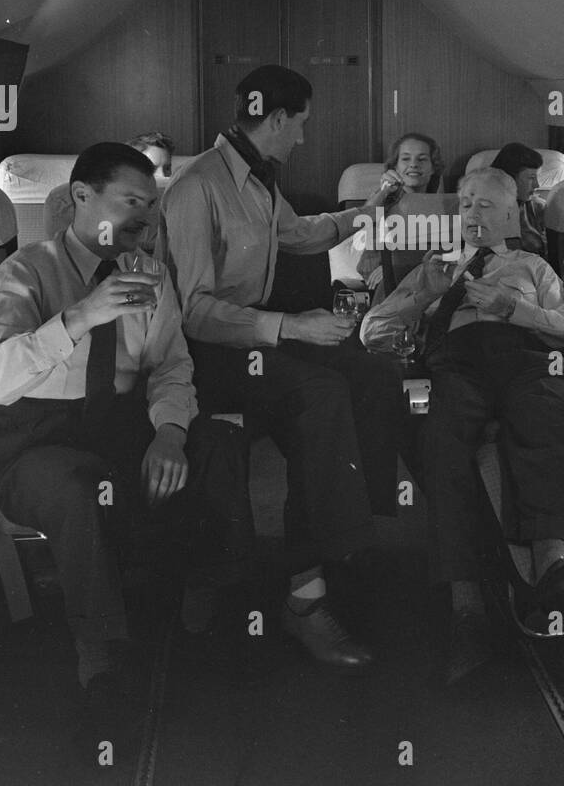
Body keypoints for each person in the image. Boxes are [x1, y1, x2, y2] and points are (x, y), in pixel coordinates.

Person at [0, 142, 253, 742]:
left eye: (150, 206)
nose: (143, 219)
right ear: (80, 196)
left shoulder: (148, 274)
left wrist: (172, 432)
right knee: (76, 487)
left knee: (219, 447)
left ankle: (208, 611)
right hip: (35, 439)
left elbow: (171, 367)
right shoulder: (22, 273)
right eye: (130, 202)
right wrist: (79, 318)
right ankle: (99, 656)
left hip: (120, 423)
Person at [158, 65, 408, 672]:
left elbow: (297, 234)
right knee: (319, 393)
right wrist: (292, 328)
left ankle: (352, 529)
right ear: (275, 119)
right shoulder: (197, 189)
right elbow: (191, 313)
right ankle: (307, 597)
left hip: (254, 338)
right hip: (210, 351)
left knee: (373, 372)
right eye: (299, 126)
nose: (301, 139)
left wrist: (367, 212)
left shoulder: (260, 183)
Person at [360, 167, 564, 685]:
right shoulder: (435, 268)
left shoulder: (533, 266)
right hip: (454, 365)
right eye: (465, 204)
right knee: (436, 438)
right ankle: (467, 606)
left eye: (483, 206)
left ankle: (553, 570)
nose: (470, 215)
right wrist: (421, 294)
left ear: (509, 215)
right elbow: (372, 332)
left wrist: (513, 308)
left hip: (526, 358)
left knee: (544, 421)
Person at [44, 131, 176, 245]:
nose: (162, 176)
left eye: (167, 168)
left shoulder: (177, 197)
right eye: (151, 169)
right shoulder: (66, 200)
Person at [355, 133, 445, 292]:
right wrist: (384, 193)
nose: (414, 164)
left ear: (433, 168)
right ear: (394, 167)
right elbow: (367, 264)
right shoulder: (382, 204)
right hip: (392, 289)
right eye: (405, 159)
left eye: (422, 159)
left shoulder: (446, 207)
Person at [491, 142, 547, 255]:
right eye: (531, 178)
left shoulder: (537, 207)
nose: (537, 185)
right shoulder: (485, 213)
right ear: (509, 178)